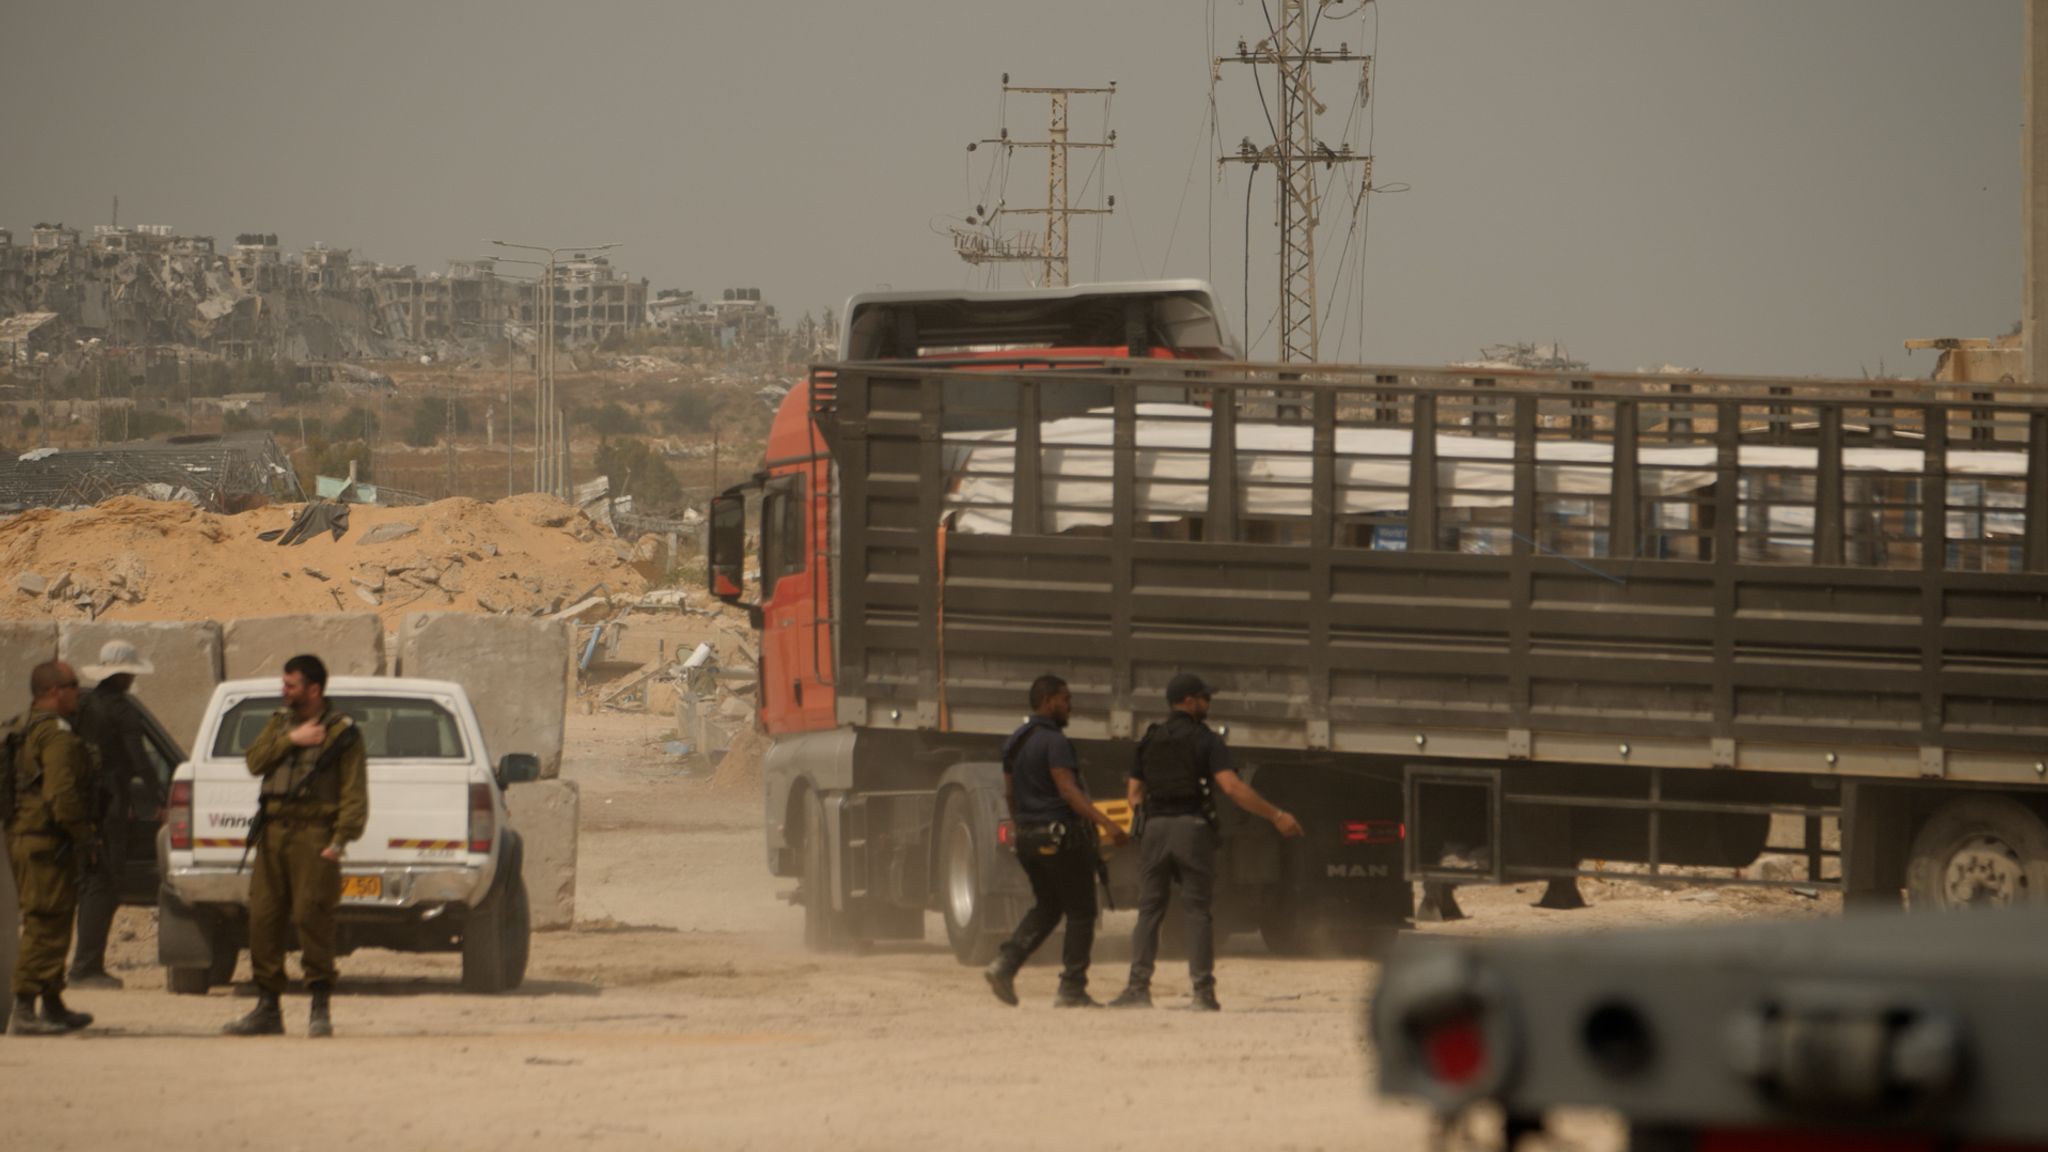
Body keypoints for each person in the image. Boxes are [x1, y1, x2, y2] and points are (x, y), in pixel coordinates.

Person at [1108, 673, 1302, 1012]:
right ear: (1188, 701)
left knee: (1149, 910)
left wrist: (1154, 818)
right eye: (1204, 698)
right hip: (1191, 830)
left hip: (1154, 830)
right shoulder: (1206, 740)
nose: (1208, 703)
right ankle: (1202, 992)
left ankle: (1137, 989)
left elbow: (1134, 795)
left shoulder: (1149, 739)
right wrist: (1275, 814)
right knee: (1197, 910)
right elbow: (1231, 788)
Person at [222, 654, 368, 1039]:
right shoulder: (279, 723)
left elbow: (354, 793)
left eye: (291, 685)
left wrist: (339, 841)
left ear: (314, 689)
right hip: (272, 835)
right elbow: (254, 762)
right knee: (263, 920)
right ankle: (267, 1007)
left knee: (312, 917)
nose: (283, 690)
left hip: (314, 835)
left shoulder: (343, 732)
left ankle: (320, 1005)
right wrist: (292, 740)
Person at [984, 674, 1130, 1008]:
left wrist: (1023, 827)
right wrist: (1106, 823)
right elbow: (1067, 789)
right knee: (1081, 911)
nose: (1070, 705)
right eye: (1065, 699)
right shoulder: (1055, 742)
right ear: (1048, 700)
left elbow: (1009, 793)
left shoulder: (1015, 741)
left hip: (1029, 839)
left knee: (1048, 906)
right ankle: (1072, 989)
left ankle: (1004, 966)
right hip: (1060, 838)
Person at [5, 661, 98, 1035]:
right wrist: (84, 836)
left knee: (53, 920)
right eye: (74, 685)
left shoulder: (23, 727)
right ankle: (25, 1008)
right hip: (46, 840)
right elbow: (61, 794)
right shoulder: (56, 735)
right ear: (55, 691)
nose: (79, 692)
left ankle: (53, 1002)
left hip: (26, 836)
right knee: (45, 923)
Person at [68, 640, 164, 989]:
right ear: (124, 674)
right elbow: (141, 760)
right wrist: (160, 798)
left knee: (84, 883)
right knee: (104, 884)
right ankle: (85, 967)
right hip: (109, 806)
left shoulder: (80, 704)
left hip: (77, 804)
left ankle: (81, 964)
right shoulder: (123, 711)